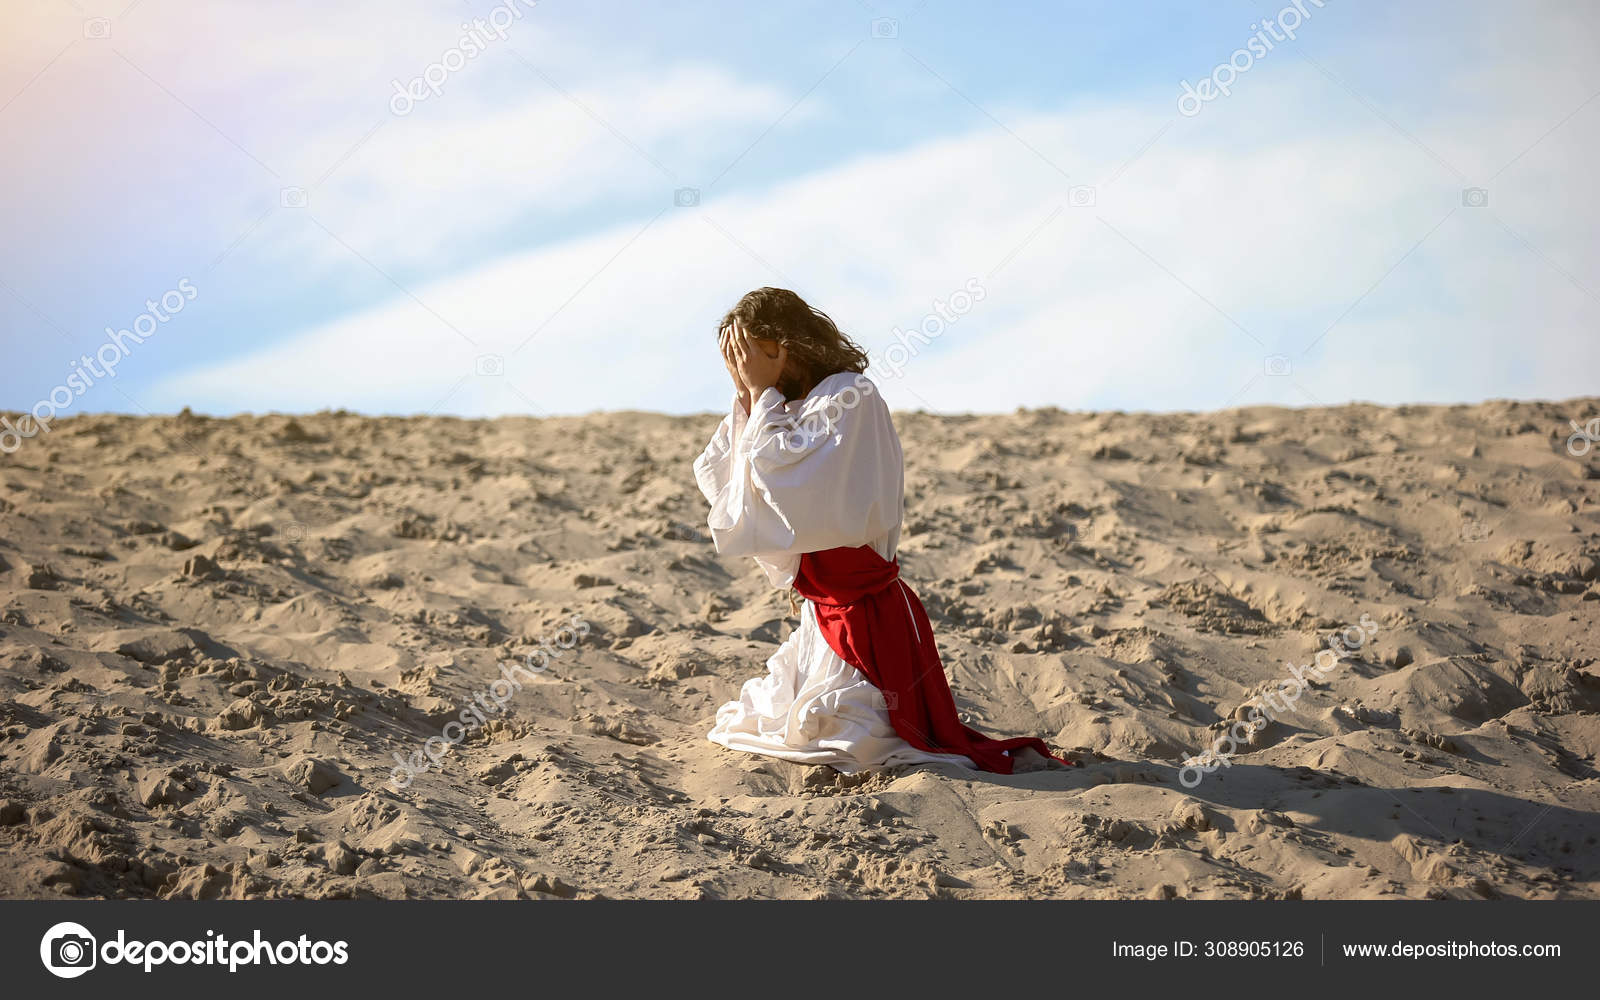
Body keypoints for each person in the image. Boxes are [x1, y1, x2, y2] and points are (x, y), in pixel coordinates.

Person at [693, 287, 1070, 774]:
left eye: (746, 352)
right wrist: (749, 396)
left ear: (781, 345)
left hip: (862, 591)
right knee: (769, 719)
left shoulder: (850, 394)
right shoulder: (776, 405)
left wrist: (761, 393)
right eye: (732, 358)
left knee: (846, 734)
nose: (740, 365)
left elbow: (793, 480)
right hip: (821, 602)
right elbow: (726, 474)